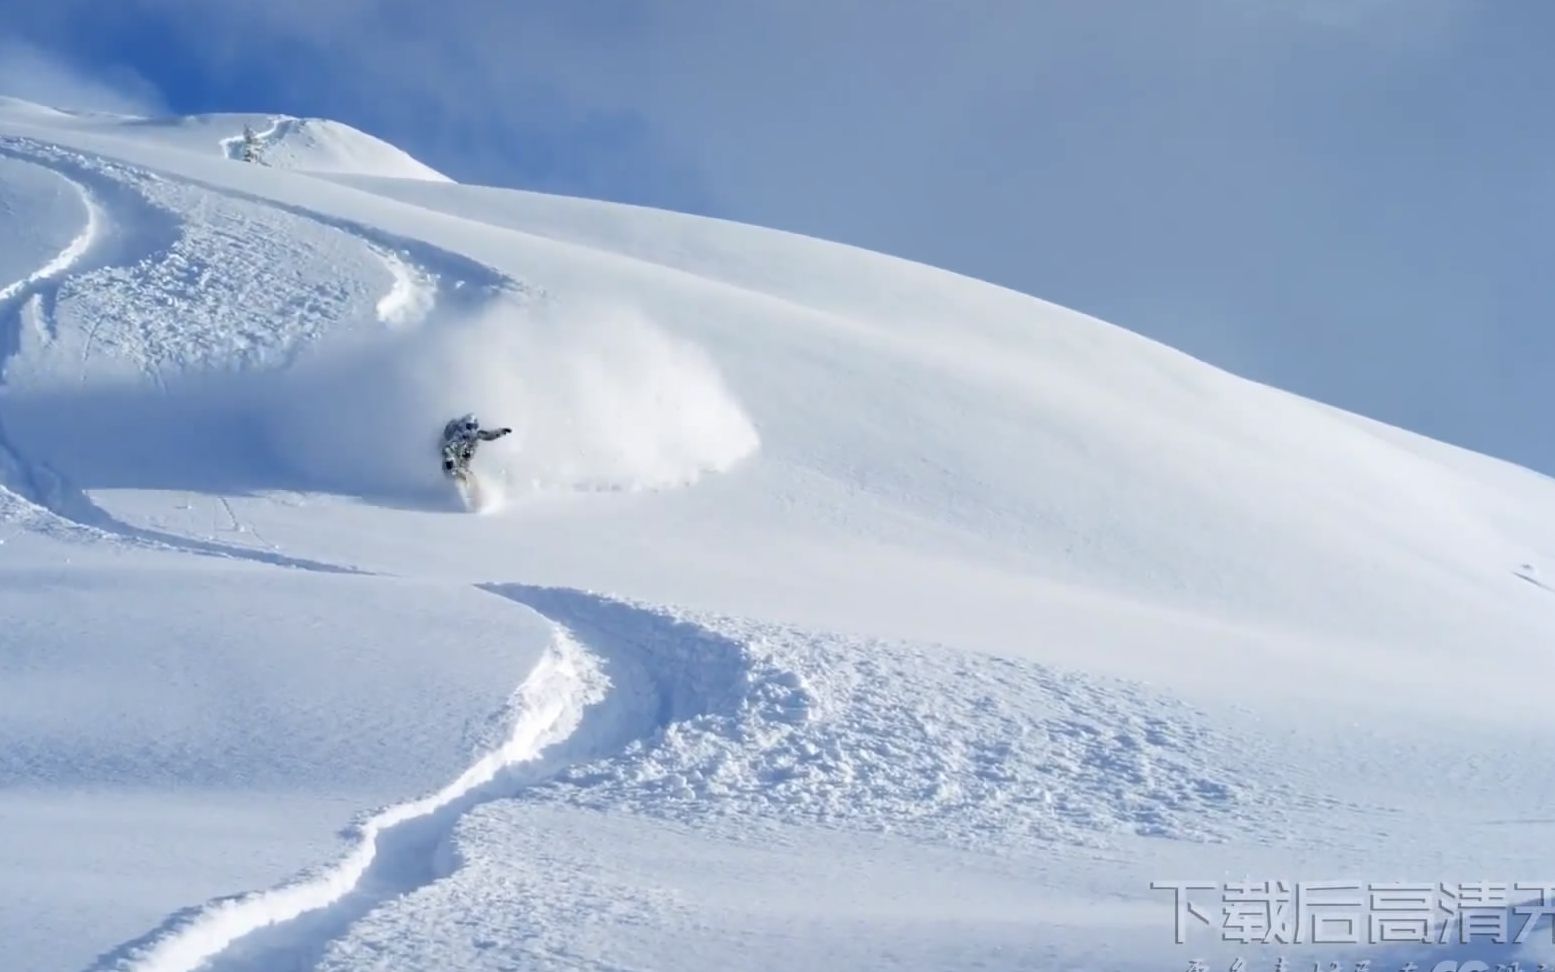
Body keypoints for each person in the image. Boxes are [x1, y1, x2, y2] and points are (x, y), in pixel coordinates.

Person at [441, 413, 511, 480]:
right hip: (452, 467)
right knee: (459, 472)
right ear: (464, 426)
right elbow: (447, 448)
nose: (471, 429)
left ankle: (469, 483)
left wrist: (500, 431)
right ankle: (459, 480)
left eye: (473, 426)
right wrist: (449, 459)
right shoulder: (459, 436)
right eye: (469, 426)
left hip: (464, 465)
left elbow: (488, 435)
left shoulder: (476, 434)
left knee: (467, 472)